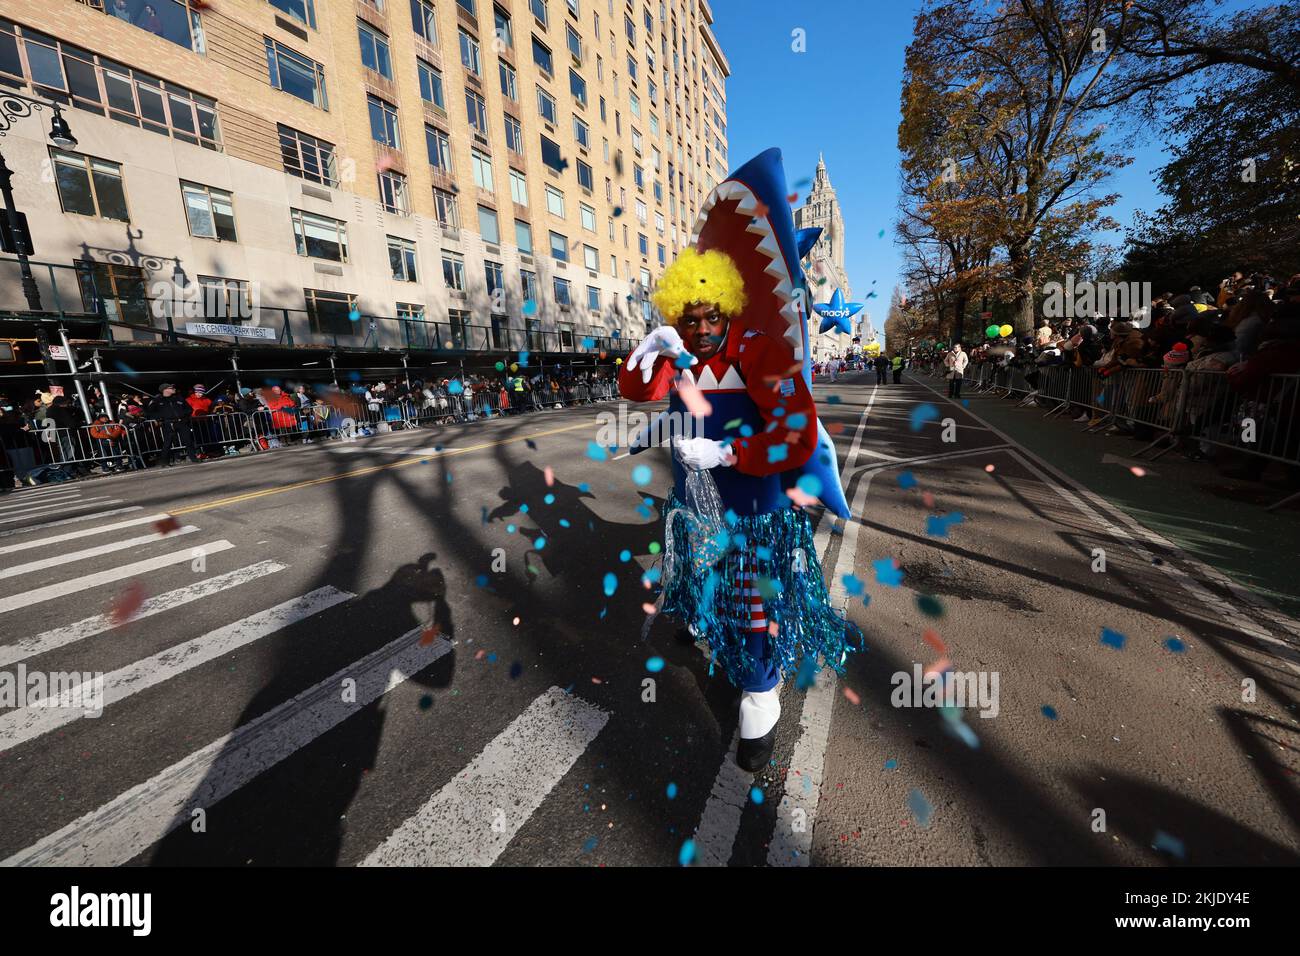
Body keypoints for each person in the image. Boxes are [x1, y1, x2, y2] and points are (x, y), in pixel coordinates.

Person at [620, 247, 863, 772]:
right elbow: (635, 390)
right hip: (695, 509)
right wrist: (645, 352)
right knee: (701, 586)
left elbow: (796, 438)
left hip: (755, 511)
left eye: (711, 316)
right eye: (689, 319)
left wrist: (730, 452)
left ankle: (760, 698)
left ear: (729, 309)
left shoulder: (760, 352)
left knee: (753, 607)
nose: (701, 328)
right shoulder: (679, 353)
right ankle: (709, 627)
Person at [147, 383, 200, 467]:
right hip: (168, 423)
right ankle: (164, 462)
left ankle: (194, 458)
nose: (174, 389)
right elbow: (150, 412)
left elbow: (189, 409)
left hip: (181, 422)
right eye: (171, 388)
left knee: (188, 440)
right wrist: (160, 418)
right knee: (167, 443)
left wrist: (185, 418)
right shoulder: (158, 400)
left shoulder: (178, 398)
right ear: (165, 390)